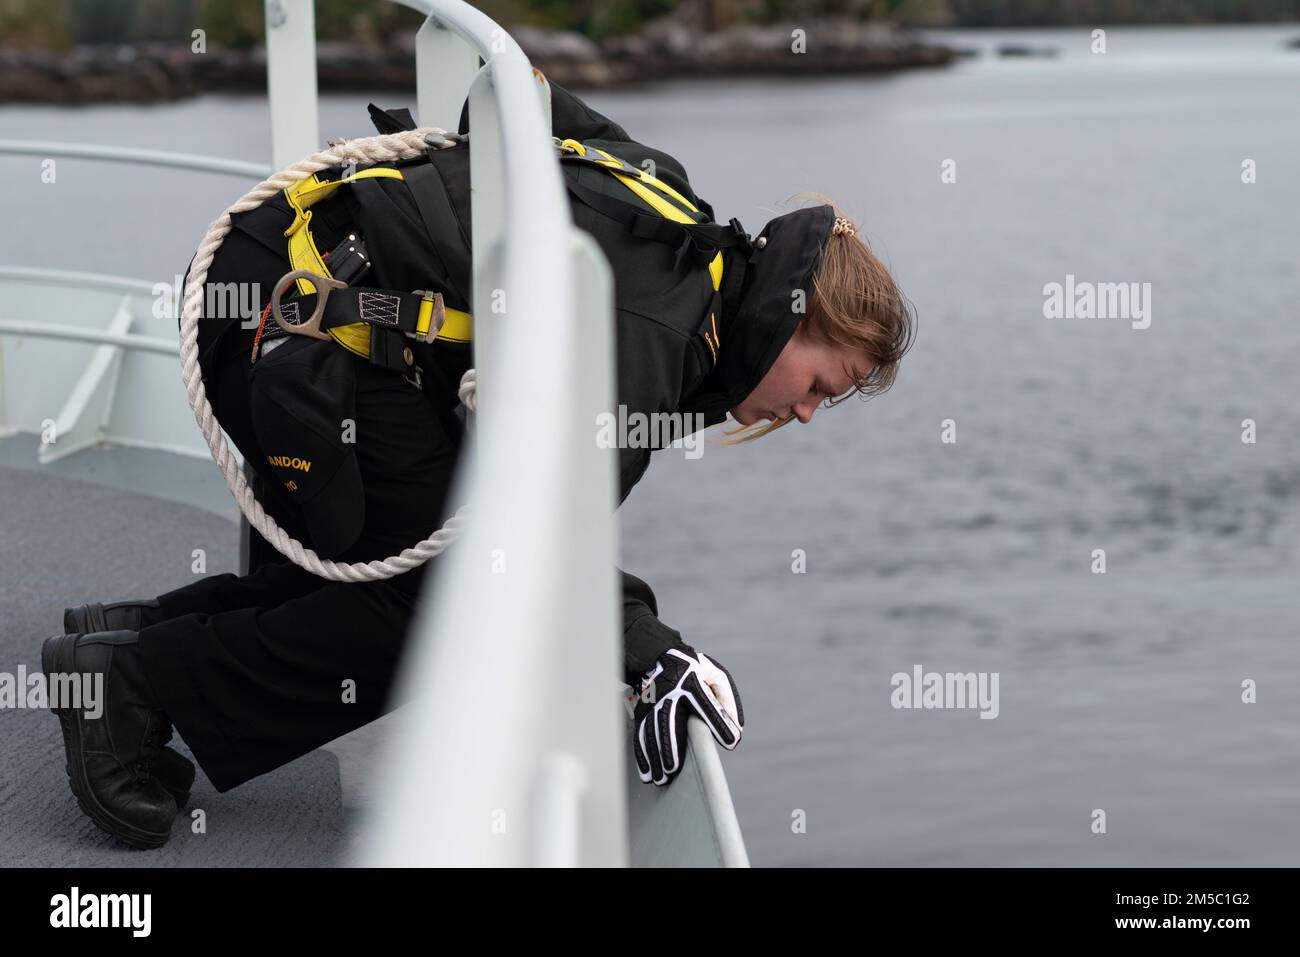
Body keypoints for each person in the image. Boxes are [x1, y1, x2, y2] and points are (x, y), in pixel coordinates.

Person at [40, 79, 915, 849]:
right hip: (292, 326)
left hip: (278, 266)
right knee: (441, 613)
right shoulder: (659, 337)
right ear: (791, 319)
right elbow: (535, 548)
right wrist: (655, 649)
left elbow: (514, 100)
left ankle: (131, 631)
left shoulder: (673, 205)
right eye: (818, 383)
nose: (803, 412)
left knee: (405, 554)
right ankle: (130, 684)